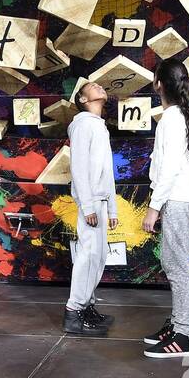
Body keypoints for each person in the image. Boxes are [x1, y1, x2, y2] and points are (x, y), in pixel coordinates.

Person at [142, 60, 189, 358]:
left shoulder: (172, 118)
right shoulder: (179, 115)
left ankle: (183, 334)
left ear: (159, 84)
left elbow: (168, 170)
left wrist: (154, 208)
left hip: (176, 199)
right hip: (179, 199)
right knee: (172, 262)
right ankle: (177, 325)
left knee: (176, 266)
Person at [63, 81, 117, 337]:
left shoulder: (98, 125)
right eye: (93, 87)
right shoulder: (83, 124)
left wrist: (113, 209)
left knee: (98, 257)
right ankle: (74, 312)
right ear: (83, 99)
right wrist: (87, 206)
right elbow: (79, 168)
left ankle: (87, 306)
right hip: (91, 201)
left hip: (100, 201)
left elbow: (108, 172)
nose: (100, 87)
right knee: (88, 256)